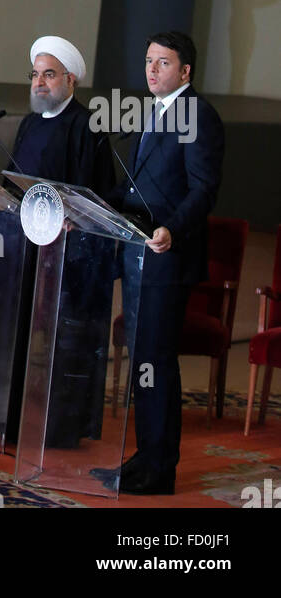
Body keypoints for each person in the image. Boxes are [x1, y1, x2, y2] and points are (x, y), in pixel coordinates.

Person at [0, 35, 115, 443]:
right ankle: (0, 415)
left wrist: (73, 218)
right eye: (35, 75)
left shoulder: (87, 126)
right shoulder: (29, 123)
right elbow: (16, 185)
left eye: (49, 75)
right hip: (18, 245)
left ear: (71, 81)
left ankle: (59, 428)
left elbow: (97, 195)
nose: (39, 83)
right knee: (9, 326)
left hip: (65, 256)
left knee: (58, 338)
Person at [98, 31, 225, 496]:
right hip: (137, 254)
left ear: (185, 71)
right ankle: (144, 459)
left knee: (155, 360)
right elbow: (134, 191)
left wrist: (171, 228)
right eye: (148, 61)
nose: (152, 70)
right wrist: (90, 208)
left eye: (163, 63)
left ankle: (160, 469)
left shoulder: (197, 116)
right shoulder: (155, 113)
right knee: (143, 360)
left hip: (165, 256)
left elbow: (202, 189)